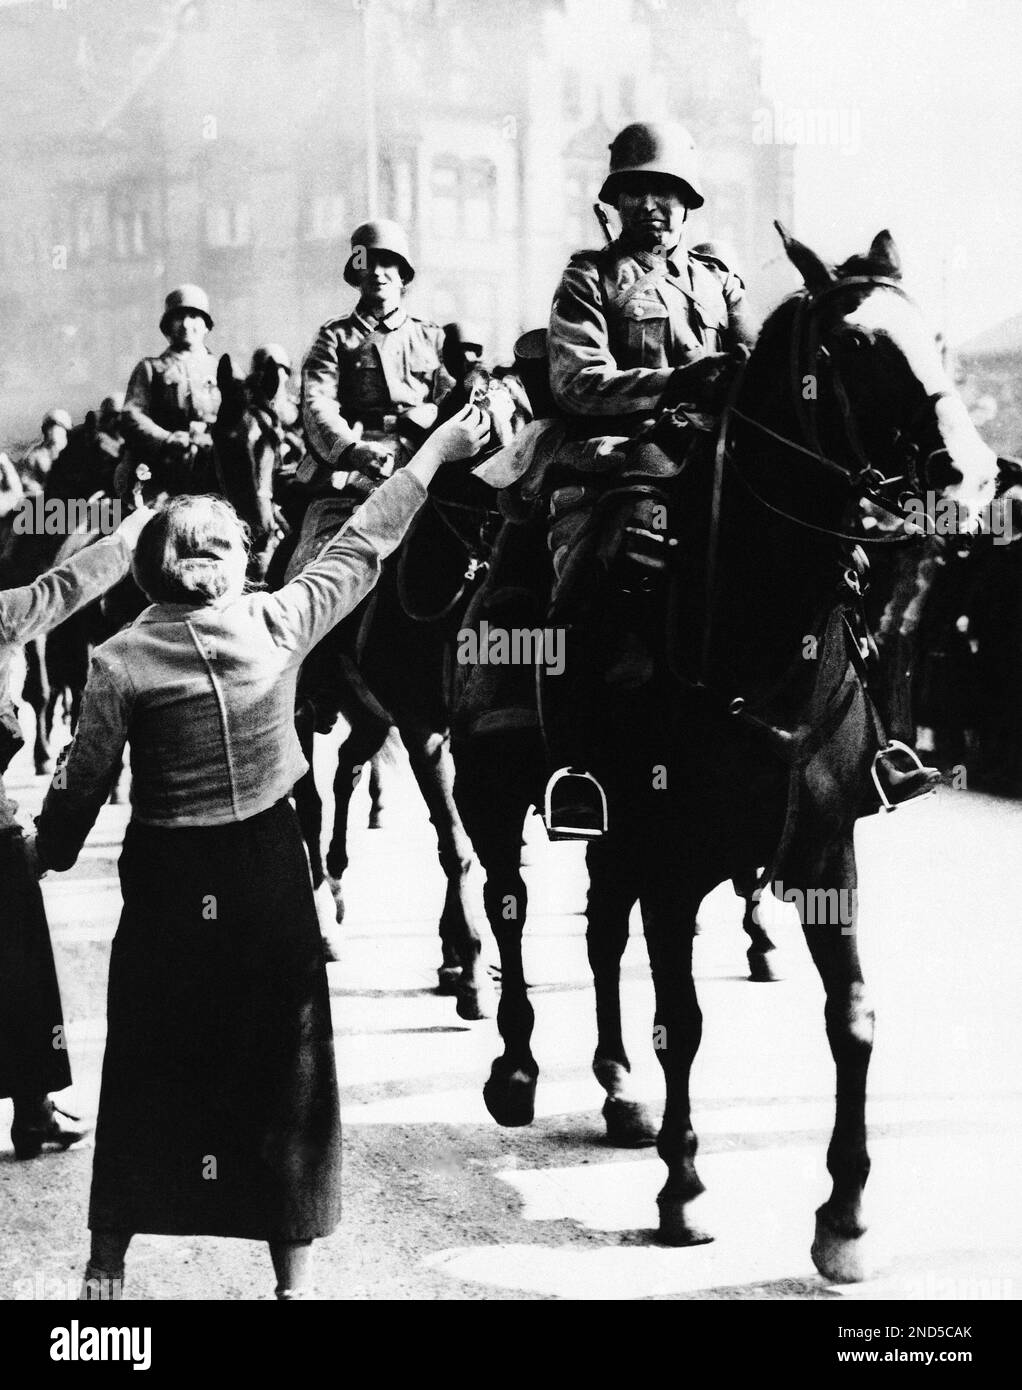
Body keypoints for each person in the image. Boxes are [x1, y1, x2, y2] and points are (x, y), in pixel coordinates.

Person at [28, 405, 490, 1301]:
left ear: (151, 569)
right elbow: (367, 541)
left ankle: (106, 1268)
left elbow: (79, 796)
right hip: (267, 881)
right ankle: (293, 1288)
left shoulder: (119, 661)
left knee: (149, 1067)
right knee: (289, 1072)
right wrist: (437, 449)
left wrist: (43, 850)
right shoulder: (281, 622)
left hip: (169, 889)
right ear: (234, 566)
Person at [539, 120, 758, 837]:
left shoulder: (719, 282)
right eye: (638, 192)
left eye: (668, 193)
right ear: (617, 201)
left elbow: (757, 371)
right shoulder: (588, 278)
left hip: (712, 460)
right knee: (588, 583)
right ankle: (578, 765)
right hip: (615, 460)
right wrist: (678, 382)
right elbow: (577, 382)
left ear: (689, 205)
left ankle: (846, 735)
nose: (654, 208)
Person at [1, 501, 153, 1161]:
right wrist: (125, 542)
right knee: (18, 967)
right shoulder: (4, 611)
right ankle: (32, 1111)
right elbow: (61, 589)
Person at [291, 218, 455, 732]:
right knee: (312, 566)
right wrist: (353, 450)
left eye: (389, 264)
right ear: (356, 275)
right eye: (369, 264)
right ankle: (311, 682)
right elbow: (317, 408)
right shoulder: (334, 338)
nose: (379, 273)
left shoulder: (431, 336)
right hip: (354, 477)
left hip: (424, 465)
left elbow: (452, 395)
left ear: (404, 275)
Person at [120, 284, 220, 497]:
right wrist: (166, 438)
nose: (185, 324)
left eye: (193, 316)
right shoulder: (150, 368)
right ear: (167, 327)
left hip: (216, 467)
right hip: (165, 472)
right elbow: (132, 415)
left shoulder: (223, 368)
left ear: (206, 326)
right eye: (178, 317)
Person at [20, 409, 72, 495]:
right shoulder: (34, 454)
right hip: (46, 499)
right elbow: (26, 480)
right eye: (50, 428)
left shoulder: (77, 450)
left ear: (66, 431)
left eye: (59, 427)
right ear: (45, 431)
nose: (52, 432)